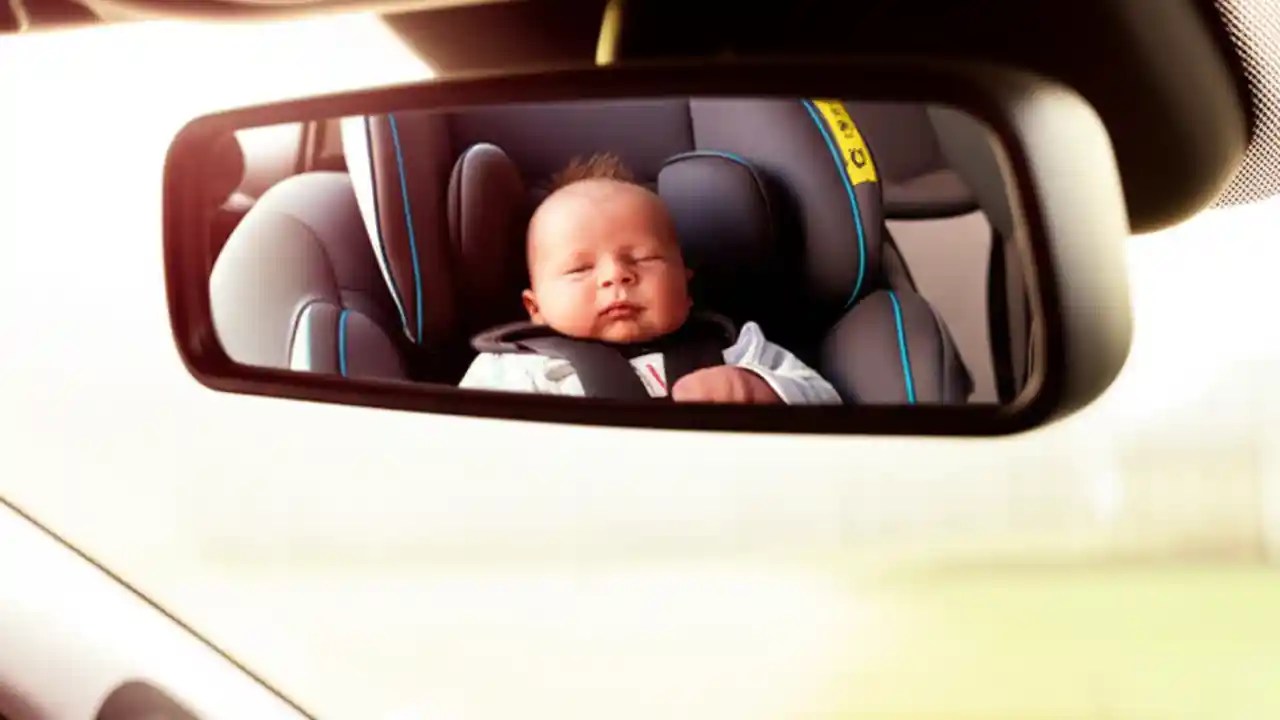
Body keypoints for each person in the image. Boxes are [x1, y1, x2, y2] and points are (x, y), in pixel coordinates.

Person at [458, 153, 842, 405]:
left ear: (687, 287)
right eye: (580, 268)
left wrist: (755, 388)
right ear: (535, 307)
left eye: (643, 259)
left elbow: (825, 399)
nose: (616, 276)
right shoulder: (511, 368)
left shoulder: (736, 347)